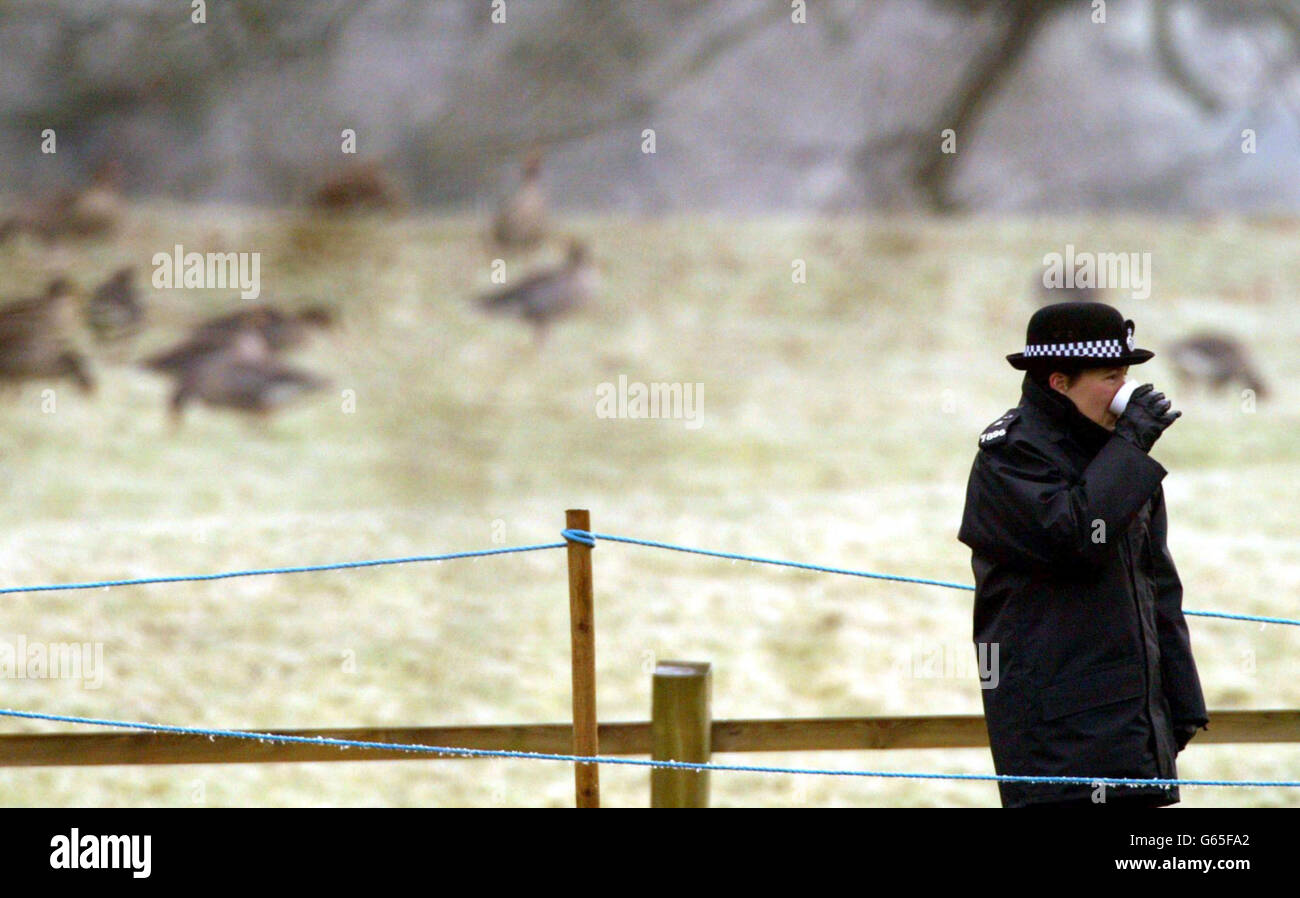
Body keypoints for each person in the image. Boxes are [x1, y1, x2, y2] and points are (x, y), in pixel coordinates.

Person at [957, 301, 1209, 808]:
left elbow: (1156, 583)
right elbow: (1077, 539)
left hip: (1134, 728)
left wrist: (1179, 704)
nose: (1126, 393)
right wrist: (1132, 444)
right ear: (1058, 382)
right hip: (1058, 740)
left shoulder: (1118, 456)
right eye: (1111, 377)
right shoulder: (1011, 456)